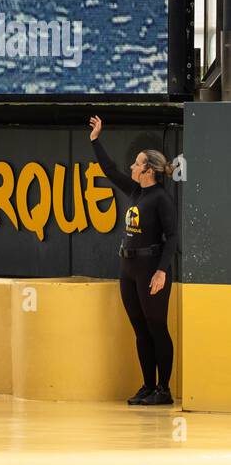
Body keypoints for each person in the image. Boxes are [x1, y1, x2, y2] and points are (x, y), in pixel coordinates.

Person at [88, 115, 179, 406]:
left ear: (148, 170)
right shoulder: (138, 191)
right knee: (140, 329)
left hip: (151, 268)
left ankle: (163, 390)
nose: (132, 167)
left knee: (157, 328)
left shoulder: (161, 198)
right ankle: (148, 386)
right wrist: (96, 141)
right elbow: (112, 171)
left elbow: (173, 238)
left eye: (137, 163)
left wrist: (161, 272)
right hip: (128, 268)